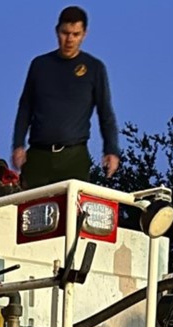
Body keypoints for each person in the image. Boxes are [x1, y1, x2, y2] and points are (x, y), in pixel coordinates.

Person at [11, 6, 120, 189]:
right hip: (38, 155)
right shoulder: (40, 65)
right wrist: (18, 144)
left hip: (74, 157)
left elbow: (105, 113)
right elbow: (25, 108)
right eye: (65, 33)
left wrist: (111, 150)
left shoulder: (94, 68)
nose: (69, 39)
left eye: (75, 34)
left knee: (73, 206)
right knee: (30, 205)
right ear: (57, 31)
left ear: (84, 34)